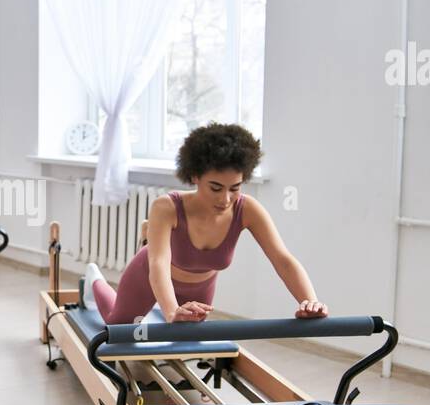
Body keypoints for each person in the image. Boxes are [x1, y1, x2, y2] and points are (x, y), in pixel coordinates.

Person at [83, 122, 328, 324]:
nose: (226, 199)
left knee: (185, 340)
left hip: (201, 287)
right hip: (148, 274)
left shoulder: (247, 209)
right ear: (195, 177)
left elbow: (282, 259)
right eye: (216, 188)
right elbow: (158, 263)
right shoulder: (166, 207)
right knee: (117, 326)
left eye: (235, 188)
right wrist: (170, 311)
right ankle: (94, 282)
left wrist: (309, 300)